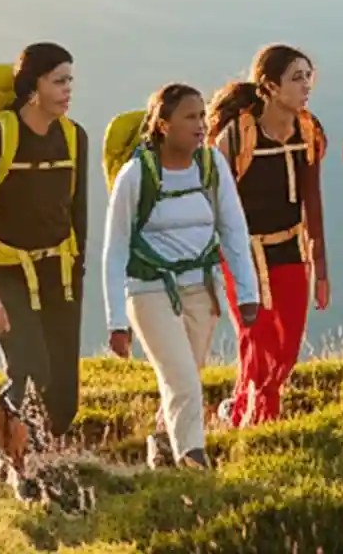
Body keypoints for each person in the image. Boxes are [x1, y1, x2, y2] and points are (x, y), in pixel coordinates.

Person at [102, 83, 260, 469]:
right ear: (163, 124)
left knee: (183, 375)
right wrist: (116, 322)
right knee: (185, 381)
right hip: (149, 290)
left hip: (202, 288)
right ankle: (194, 461)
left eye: (202, 116)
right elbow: (116, 248)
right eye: (190, 117)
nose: (201, 125)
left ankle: (162, 439)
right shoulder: (136, 175)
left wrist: (247, 292)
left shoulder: (212, 166)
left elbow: (234, 228)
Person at [0, 43, 89, 496]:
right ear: (32, 87)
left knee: (65, 394)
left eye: (71, 80)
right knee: (30, 367)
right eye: (59, 80)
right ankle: (19, 466)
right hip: (6, 271)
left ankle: (38, 459)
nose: (68, 89)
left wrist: (79, 276)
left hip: (61, 274)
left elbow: (80, 215)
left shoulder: (75, 137)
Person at [207, 43, 329, 428]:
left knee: (287, 347)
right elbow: (214, 202)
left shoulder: (308, 131)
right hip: (243, 254)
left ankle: (244, 409)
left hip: (291, 248)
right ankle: (258, 424)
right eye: (297, 77)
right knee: (258, 342)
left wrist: (321, 269)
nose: (306, 85)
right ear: (270, 86)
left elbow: (312, 199)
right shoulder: (237, 137)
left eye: (309, 76)